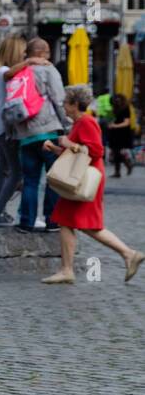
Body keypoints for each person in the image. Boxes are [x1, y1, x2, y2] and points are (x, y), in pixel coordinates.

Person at [39, 84, 144, 284]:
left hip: (87, 178)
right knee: (67, 220)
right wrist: (54, 147)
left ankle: (128, 254)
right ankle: (68, 269)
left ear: (76, 104)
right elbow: (77, 153)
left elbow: (95, 151)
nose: (63, 106)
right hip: (81, 176)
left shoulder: (87, 122)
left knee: (86, 225)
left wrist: (66, 143)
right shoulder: (80, 123)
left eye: (66, 103)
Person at [13, 38, 69, 232]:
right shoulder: (49, 70)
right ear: (45, 53)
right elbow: (59, 100)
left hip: (25, 133)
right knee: (53, 178)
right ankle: (52, 221)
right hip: (48, 131)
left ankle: (26, 222)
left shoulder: (20, 70)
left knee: (30, 180)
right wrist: (68, 127)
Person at [0, 34, 28, 226]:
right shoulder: (3, 71)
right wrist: (32, 62)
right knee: (16, 172)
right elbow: (8, 75)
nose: (25, 55)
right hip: (4, 127)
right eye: (23, 52)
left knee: (2, 169)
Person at [107, 93, 135, 178]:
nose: (116, 101)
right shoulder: (114, 108)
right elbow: (113, 119)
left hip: (122, 133)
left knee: (117, 152)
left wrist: (115, 125)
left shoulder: (126, 108)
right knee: (116, 152)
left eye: (118, 99)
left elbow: (127, 122)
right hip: (114, 133)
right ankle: (122, 168)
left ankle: (124, 167)